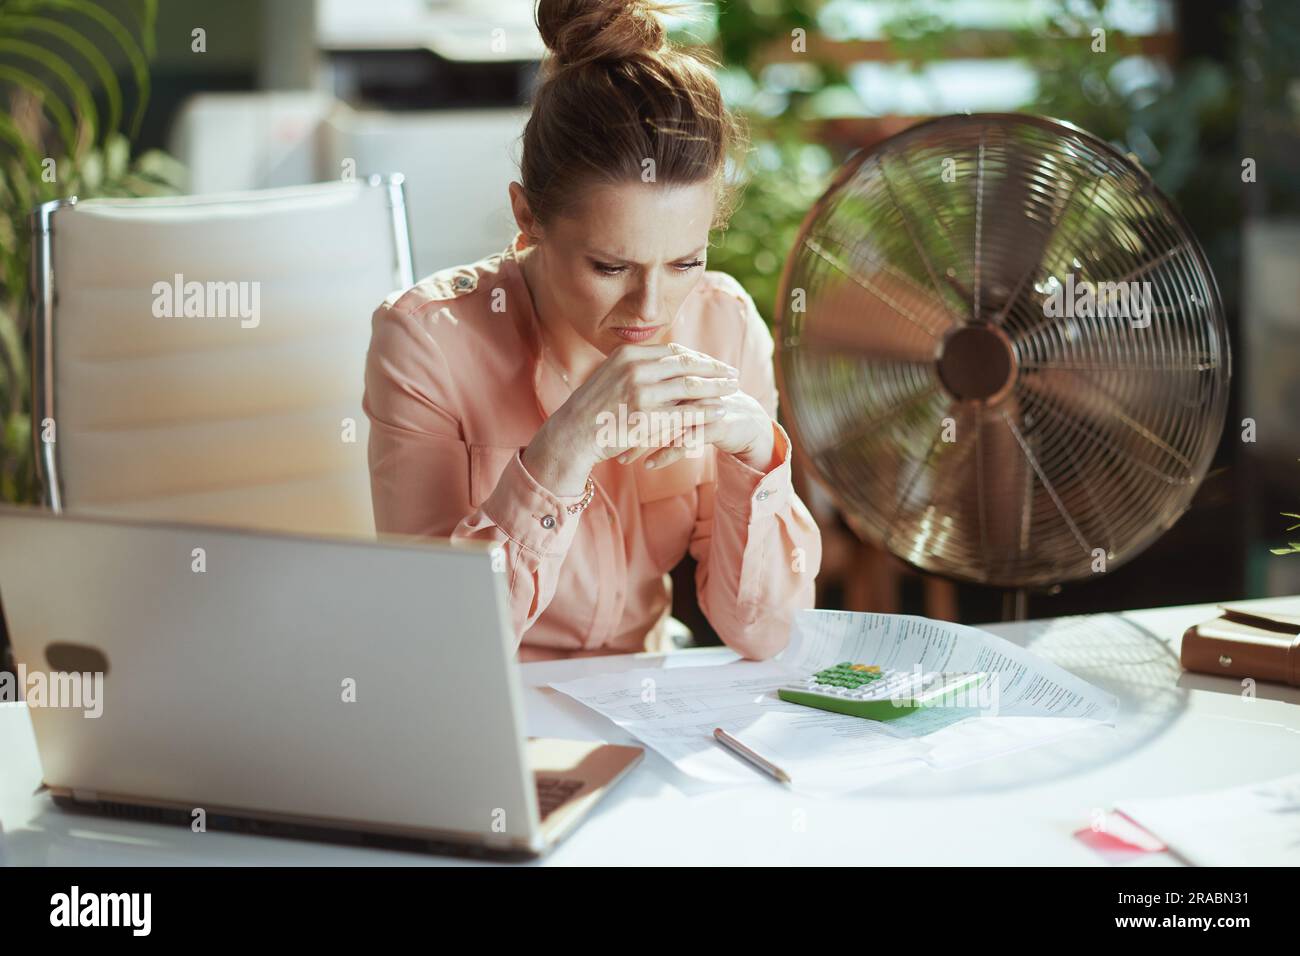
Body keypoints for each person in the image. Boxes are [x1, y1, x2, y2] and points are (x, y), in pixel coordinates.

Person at [363, 0, 822, 662]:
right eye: (611, 267)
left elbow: (768, 635)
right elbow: (437, 650)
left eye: (686, 262)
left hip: (645, 705)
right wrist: (564, 450)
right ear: (529, 217)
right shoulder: (426, 344)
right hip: (495, 707)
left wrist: (755, 458)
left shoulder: (722, 324)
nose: (651, 308)